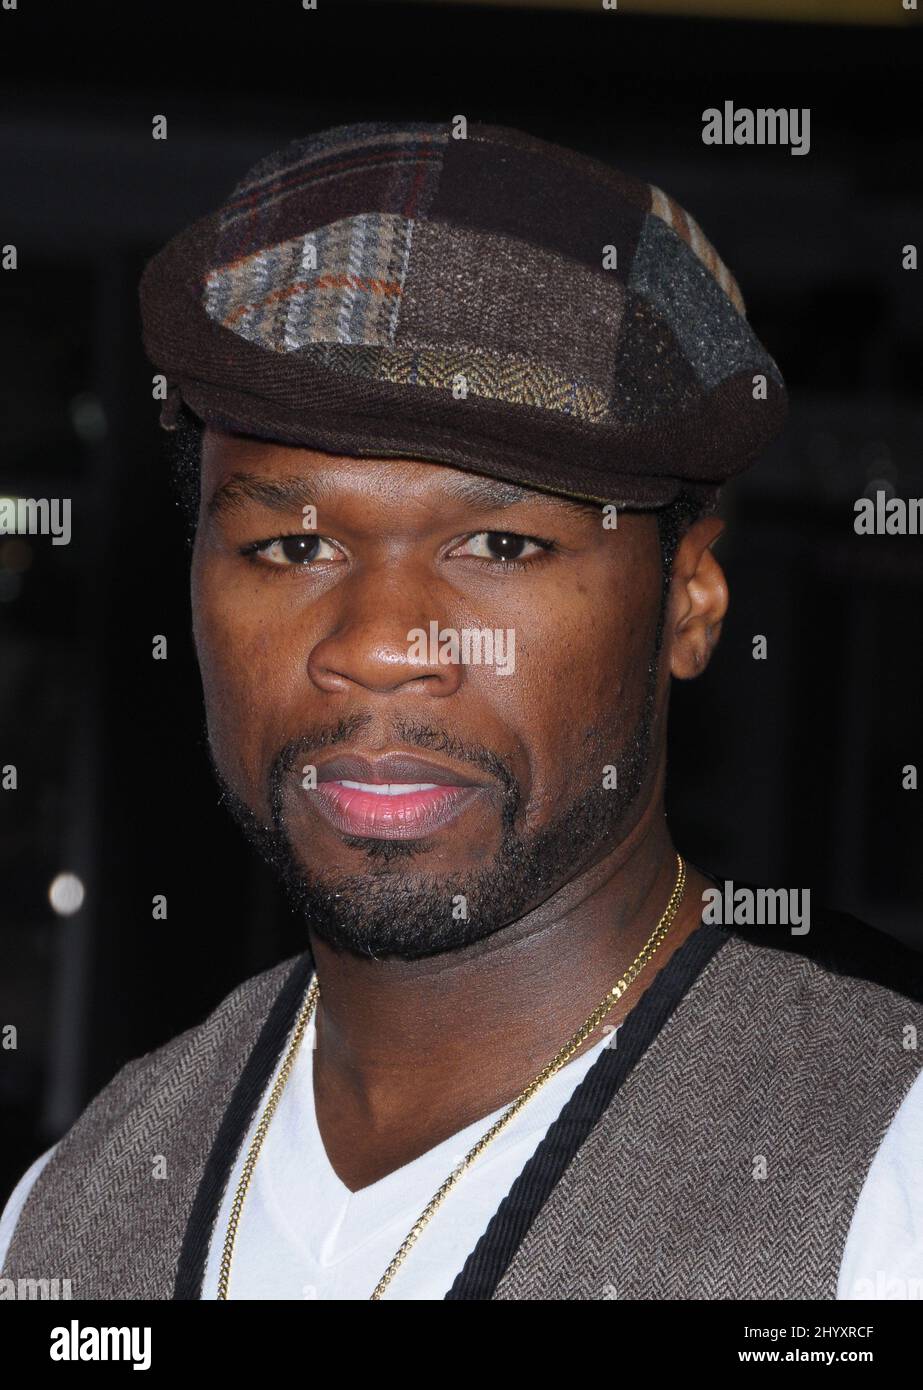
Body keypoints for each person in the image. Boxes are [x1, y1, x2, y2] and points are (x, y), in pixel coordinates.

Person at [2, 120, 921, 1301]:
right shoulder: (70, 1214)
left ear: (688, 598)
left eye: (499, 543)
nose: (381, 647)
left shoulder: (876, 1180)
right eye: (292, 543)